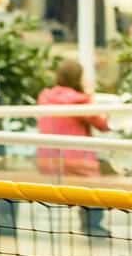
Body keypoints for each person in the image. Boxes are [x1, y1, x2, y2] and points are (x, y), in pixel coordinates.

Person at [36, 58, 111, 239]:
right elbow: (103, 124)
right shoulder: (79, 101)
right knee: (96, 186)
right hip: (77, 162)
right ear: (78, 78)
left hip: (46, 159)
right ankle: (92, 225)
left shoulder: (44, 97)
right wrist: (89, 96)